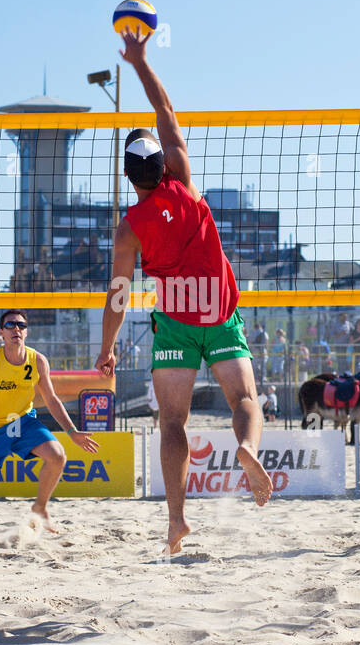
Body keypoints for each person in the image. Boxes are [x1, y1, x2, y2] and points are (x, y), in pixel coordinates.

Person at [97, 28, 272, 554]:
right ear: (163, 164)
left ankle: (177, 519)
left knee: (172, 420)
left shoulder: (129, 227)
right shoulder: (185, 181)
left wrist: (106, 350)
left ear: (130, 177)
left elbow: (119, 294)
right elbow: (165, 106)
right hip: (216, 307)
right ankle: (246, 447)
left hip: (175, 316)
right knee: (243, 398)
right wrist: (140, 62)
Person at [0, 310, 99, 542]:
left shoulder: (37, 360)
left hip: (23, 421)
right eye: (10, 325)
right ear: (1, 332)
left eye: (21, 325)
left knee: (58, 456)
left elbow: (51, 399)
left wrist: (71, 431)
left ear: (26, 331)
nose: (16, 329)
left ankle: (40, 507)